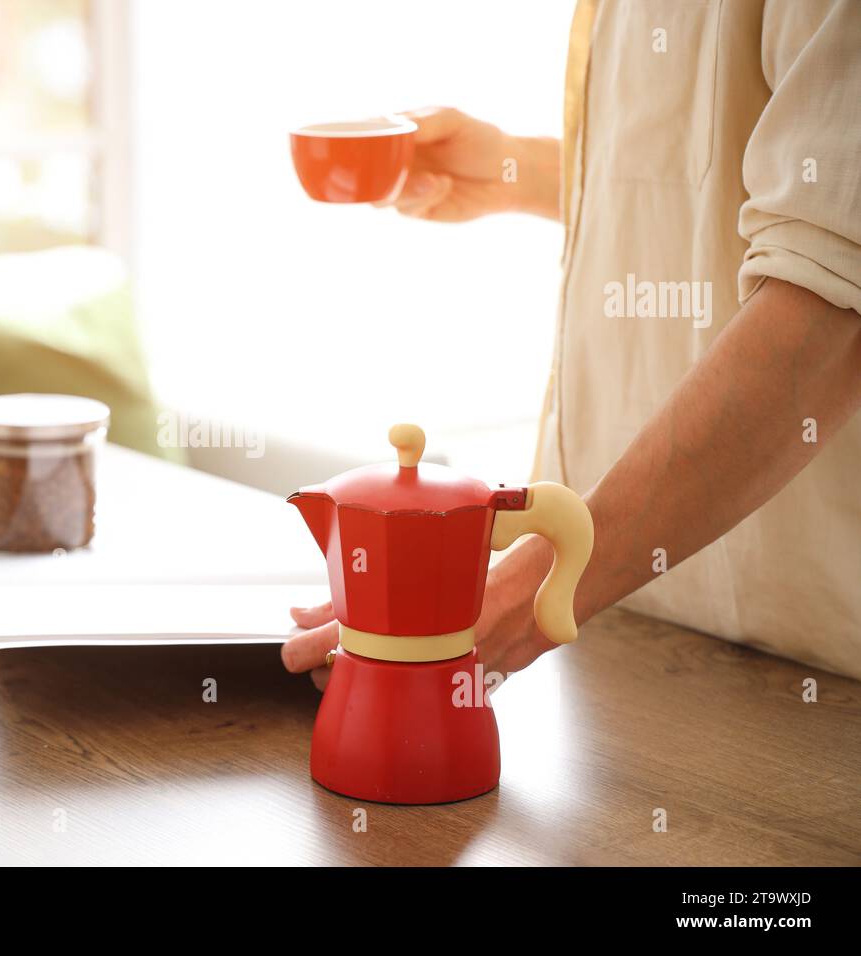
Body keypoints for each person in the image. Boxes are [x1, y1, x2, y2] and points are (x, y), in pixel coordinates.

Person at [282, 0, 861, 688]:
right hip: (624, 626)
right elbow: (725, 176)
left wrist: (543, 579)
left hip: (809, 668)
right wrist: (513, 169)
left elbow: (830, 300)